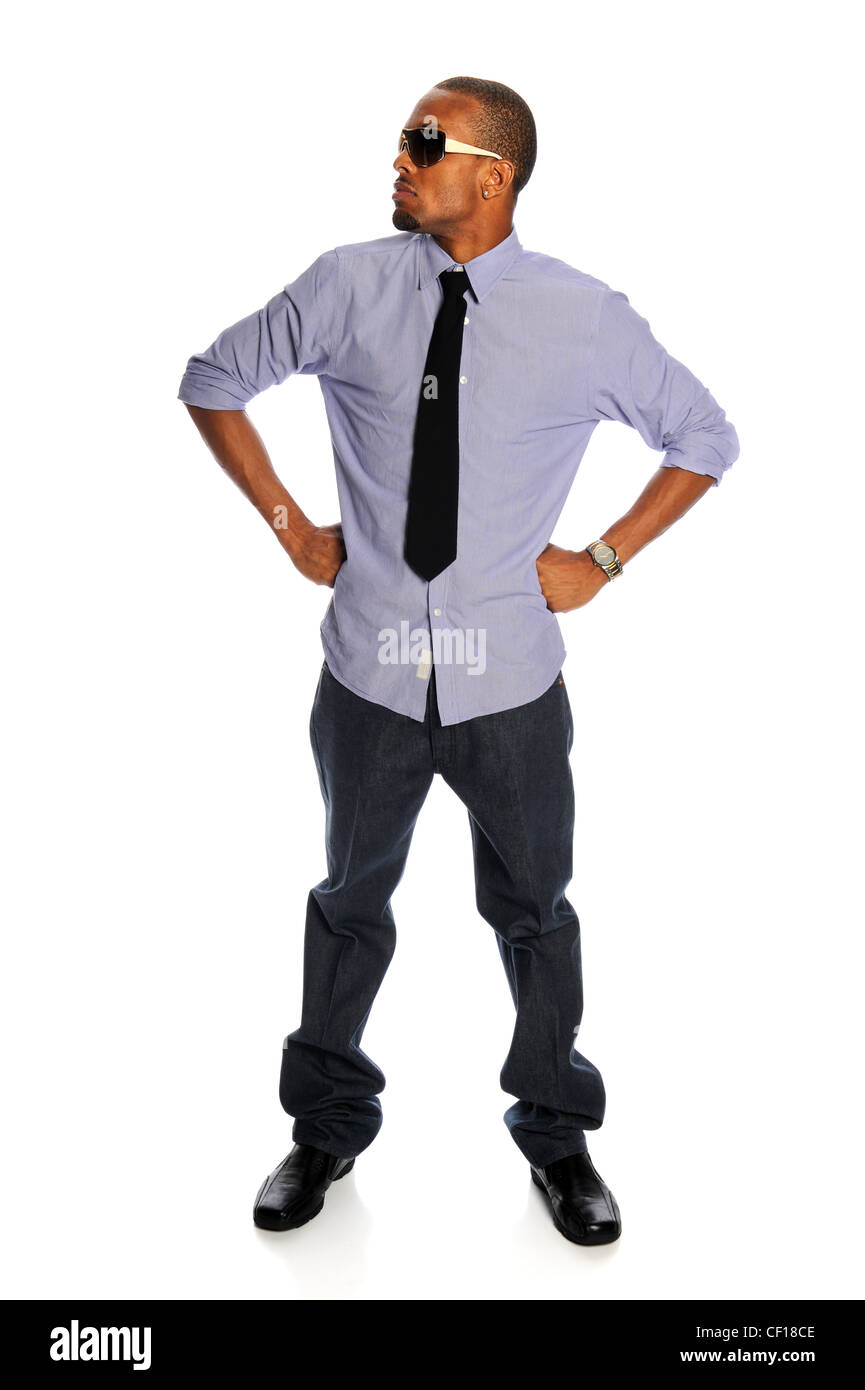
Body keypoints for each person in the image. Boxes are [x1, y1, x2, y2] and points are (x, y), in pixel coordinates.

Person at [177, 76, 739, 1247]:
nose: (399, 159)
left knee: (535, 912)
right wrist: (289, 523)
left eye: (423, 143)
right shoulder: (345, 286)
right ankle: (323, 1128)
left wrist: (603, 558)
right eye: (399, 140)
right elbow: (213, 378)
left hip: (513, 691)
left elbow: (704, 435)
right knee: (347, 904)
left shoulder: (582, 317)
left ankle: (558, 1136)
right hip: (369, 680)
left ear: (494, 175)